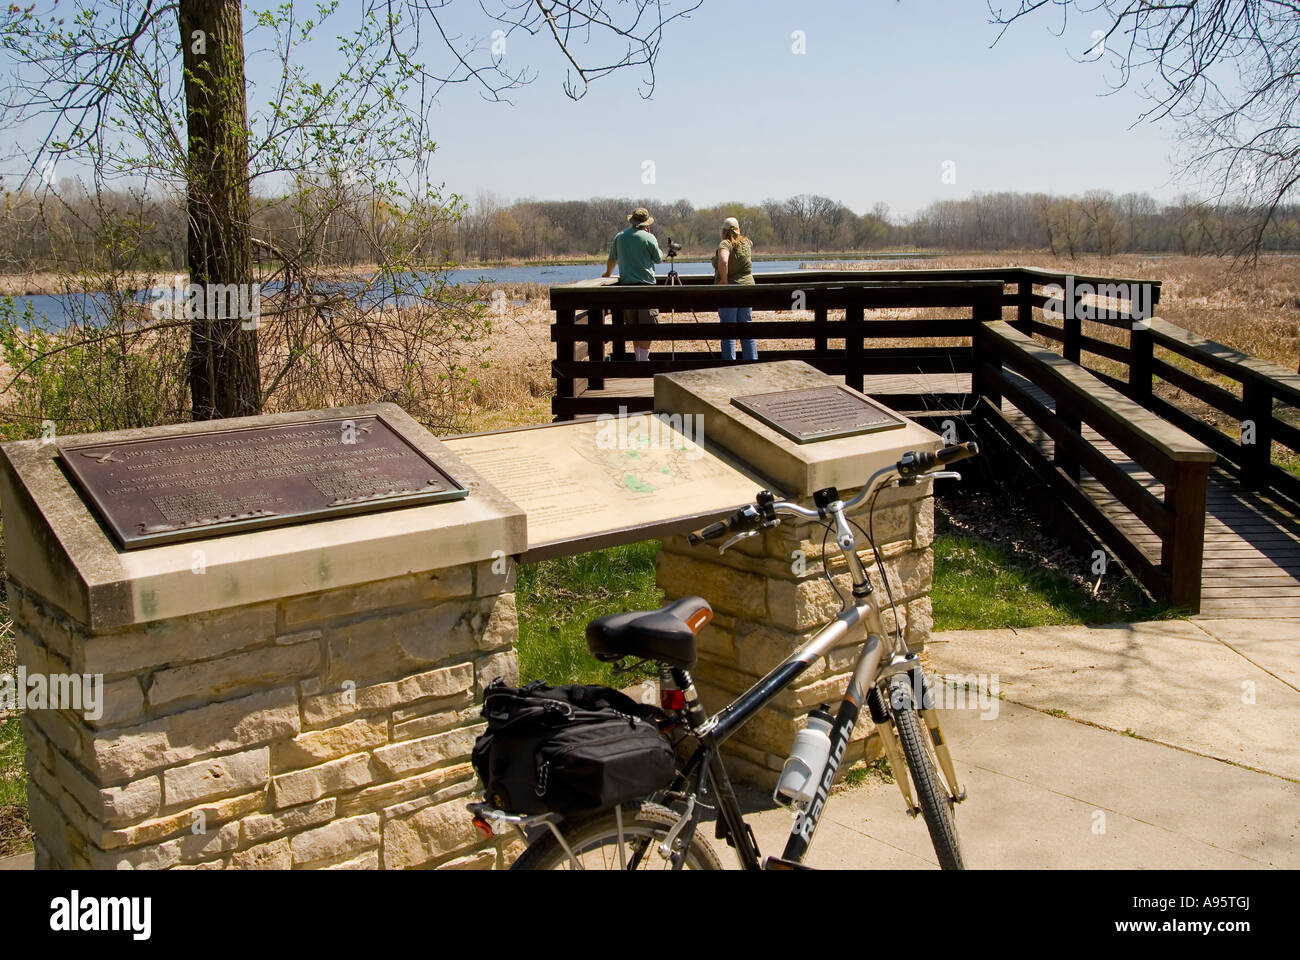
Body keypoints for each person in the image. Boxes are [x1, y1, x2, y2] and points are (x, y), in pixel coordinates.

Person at [602, 207, 662, 362]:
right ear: (646, 223)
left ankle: (638, 359)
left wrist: (608, 273)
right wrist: (651, 238)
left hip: (627, 288)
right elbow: (658, 258)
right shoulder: (649, 237)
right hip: (646, 288)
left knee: (633, 326)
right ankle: (644, 360)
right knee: (647, 327)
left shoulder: (620, 237)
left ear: (633, 221)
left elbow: (612, 259)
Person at [713, 216, 757, 362]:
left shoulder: (725, 244)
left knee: (728, 329)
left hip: (730, 291)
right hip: (748, 289)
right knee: (747, 329)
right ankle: (751, 362)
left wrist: (724, 280)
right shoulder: (747, 243)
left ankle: (729, 363)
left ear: (724, 231)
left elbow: (724, 260)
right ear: (738, 230)